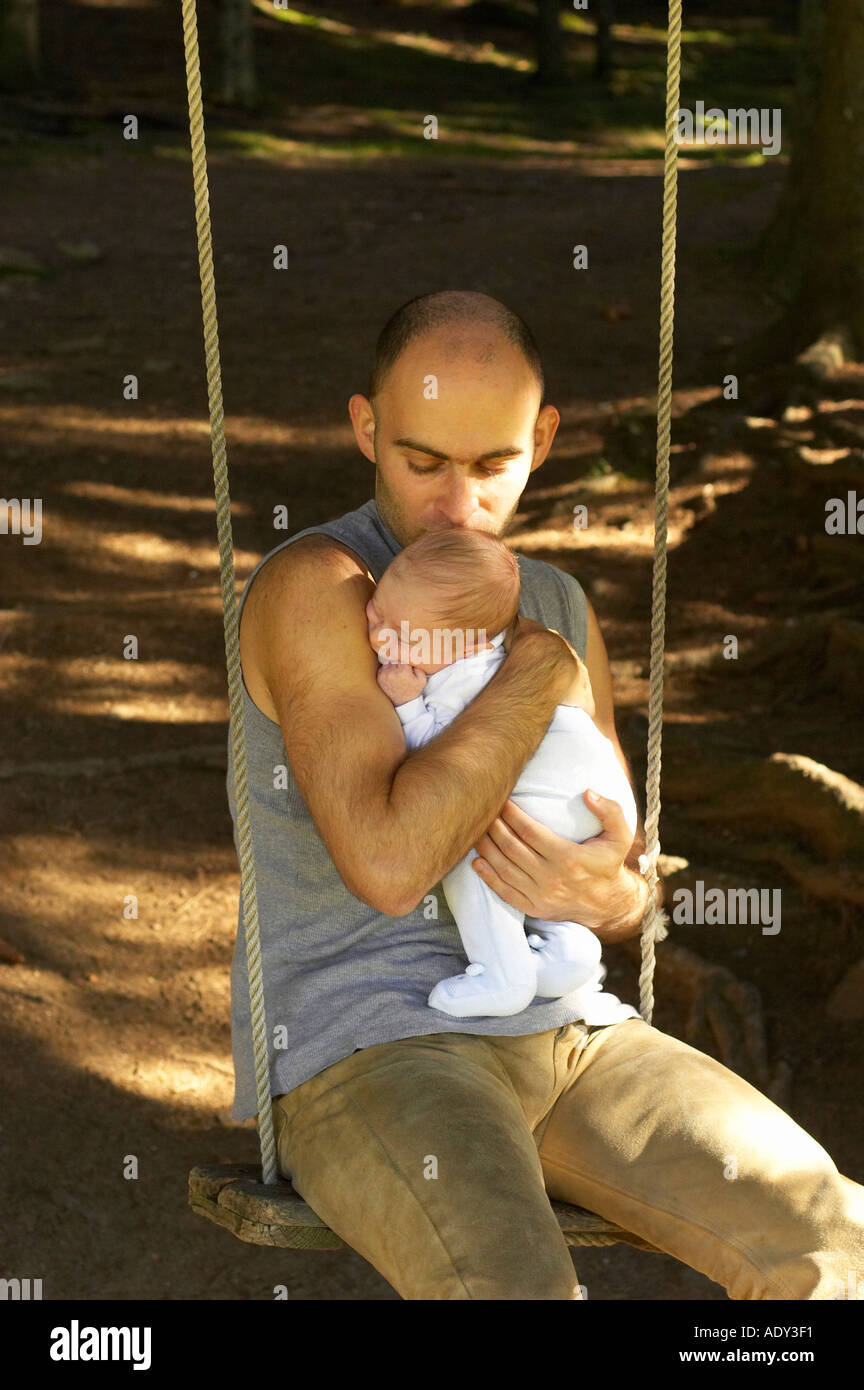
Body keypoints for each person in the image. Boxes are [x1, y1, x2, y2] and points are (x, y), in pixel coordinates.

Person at [228, 290, 864, 1300]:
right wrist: (532, 673)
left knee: (836, 1238)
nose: (455, 506)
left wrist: (612, 899)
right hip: (376, 1051)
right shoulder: (323, 586)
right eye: (420, 460)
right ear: (365, 428)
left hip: (570, 1030)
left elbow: (624, 877)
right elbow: (392, 867)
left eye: (492, 467)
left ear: (545, 439)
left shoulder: (557, 599)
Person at [368, 524, 640, 1018]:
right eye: (376, 610)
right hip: (591, 802)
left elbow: (445, 764)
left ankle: (502, 976)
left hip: (553, 789)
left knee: (469, 851)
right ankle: (569, 956)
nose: (380, 635)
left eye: (403, 634)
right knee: (533, 874)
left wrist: (407, 705)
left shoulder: (461, 676)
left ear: (469, 643)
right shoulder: (476, 651)